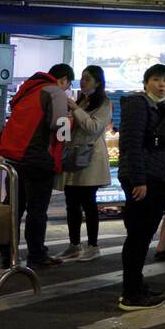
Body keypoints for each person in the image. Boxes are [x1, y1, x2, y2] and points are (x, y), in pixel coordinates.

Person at [0, 63, 74, 269]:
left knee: (13, 207)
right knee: (37, 210)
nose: (66, 89)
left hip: (14, 156)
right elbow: (59, 125)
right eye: (68, 84)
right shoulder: (54, 91)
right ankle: (37, 255)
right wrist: (71, 124)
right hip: (38, 159)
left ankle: (6, 254)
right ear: (63, 79)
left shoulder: (28, 87)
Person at [117, 64, 165, 310]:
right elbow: (131, 144)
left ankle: (136, 286)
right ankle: (131, 294)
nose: (161, 85)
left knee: (141, 235)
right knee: (138, 236)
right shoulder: (138, 104)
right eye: (156, 80)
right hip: (143, 179)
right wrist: (138, 180)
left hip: (154, 178)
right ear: (145, 82)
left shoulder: (157, 107)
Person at [59, 65, 112, 262]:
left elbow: (93, 127)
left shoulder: (104, 103)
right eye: (82, 78)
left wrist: (75, 109)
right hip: (73, 158)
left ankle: (93, 245)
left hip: (90, 159)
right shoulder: (83, 100)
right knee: (71, 202)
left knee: (88, 203)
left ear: (98, 82)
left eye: (88, 79)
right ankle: (74, 244)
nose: (83, 81)